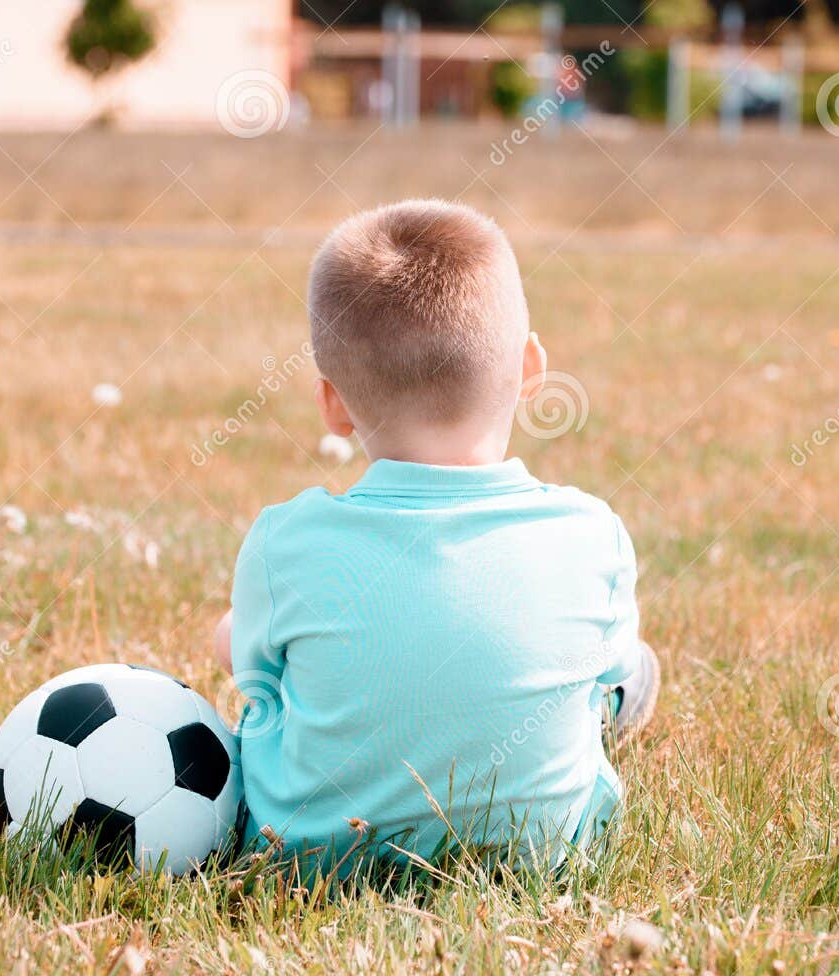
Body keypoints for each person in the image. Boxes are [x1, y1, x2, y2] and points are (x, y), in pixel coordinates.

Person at [213, 199, 657, 870]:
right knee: (620, 670)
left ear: (332, 404)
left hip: (311, 862)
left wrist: (229, 633)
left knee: (248, 651)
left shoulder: (285, 543)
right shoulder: (591, 532)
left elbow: (254, 675)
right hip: (547, 854)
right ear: (532, 368)